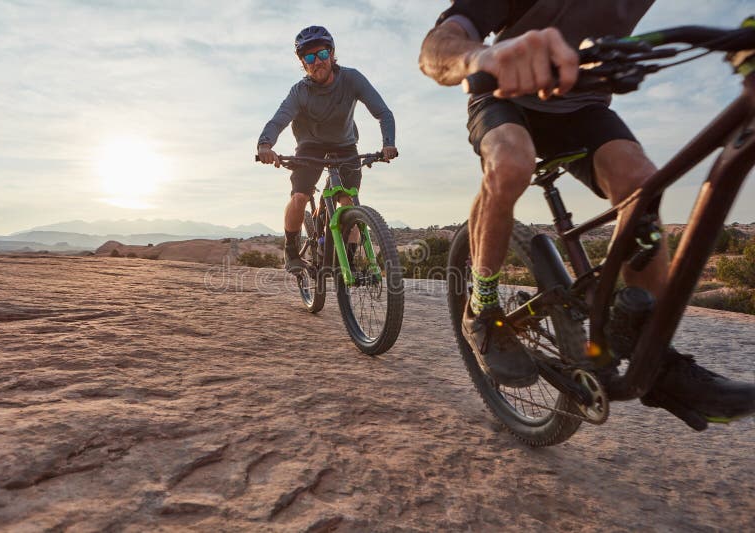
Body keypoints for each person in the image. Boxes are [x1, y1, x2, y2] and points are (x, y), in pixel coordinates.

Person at [419, 1, 755, 423]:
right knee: (509, 165)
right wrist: (480, 56)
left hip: (581, 106)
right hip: (504, 95)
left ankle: (650, 353)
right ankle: (482, 307)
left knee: (642, 183)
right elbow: (437, 47)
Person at [257, 25, 398, 273]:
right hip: (310, 147)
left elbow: (383, 112)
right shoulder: (299, 92)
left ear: (332, 54)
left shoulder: (352, 79)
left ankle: (346, 263)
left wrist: (388, 143)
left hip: (345, 146)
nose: (317, 62)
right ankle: (291, 252)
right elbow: (279, 120)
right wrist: (265, 145)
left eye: (321, 54)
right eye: (309, 58)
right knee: (300, 195)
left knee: (349, 204)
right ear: (303, 63)